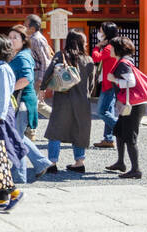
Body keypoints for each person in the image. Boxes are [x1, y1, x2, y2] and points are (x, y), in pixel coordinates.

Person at [0, 33, 30, 209]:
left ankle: (14, 192)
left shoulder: (3, 69)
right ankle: (1, 197)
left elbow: (4, 99)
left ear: (1, 49)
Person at [40, 29, 94, 174]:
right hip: (82, 100)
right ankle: (79, 162)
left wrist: (42, 89)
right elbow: (92, 84)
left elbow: (49, 72)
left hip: (63, 99)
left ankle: (52, 162)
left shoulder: (61, 55)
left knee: (55, 130)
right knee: (79, 129)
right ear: (82, 43)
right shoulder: (88, 60)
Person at [106, 36, 146, 179]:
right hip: (132, 104)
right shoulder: (125, 61)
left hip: (133, 105)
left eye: (111, 47)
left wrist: (114, 79)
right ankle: (120, 162)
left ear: (118, 49)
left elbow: (131, 82)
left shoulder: (123, 63)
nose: (109, 49)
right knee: (118, 131)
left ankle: (136, 169)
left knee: (130, 137)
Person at [7, 24, 40, 140]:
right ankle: (41, 159)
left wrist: (8, 89)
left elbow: (27, 79)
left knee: (17, 140)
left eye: (15, 37)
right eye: (9, 37)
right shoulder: (20, 54)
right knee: (20, 140)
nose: (11, 40)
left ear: (24, 40)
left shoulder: (22, 56)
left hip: (23, 101)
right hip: (22, 101)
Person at [92, 21, 120, 150]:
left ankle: (121, 128)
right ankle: (108, 139)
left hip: (109, 84)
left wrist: (97, 46)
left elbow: (96, 58)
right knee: (109, 110)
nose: (99, 33)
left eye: (101, 30)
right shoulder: (113, 45)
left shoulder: (109, 47)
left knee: (101, 111)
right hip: (111, 82)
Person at [25, 14, 53, 120]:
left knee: (34, 103)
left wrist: (41, 80)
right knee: (34, 103)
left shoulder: (37, 39)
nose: (24, 27)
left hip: (37, 74)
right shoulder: (33, 38)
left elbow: (45, 61)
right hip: (34, 73)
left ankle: (58, 118)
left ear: (32, 28)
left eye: (25, 25)